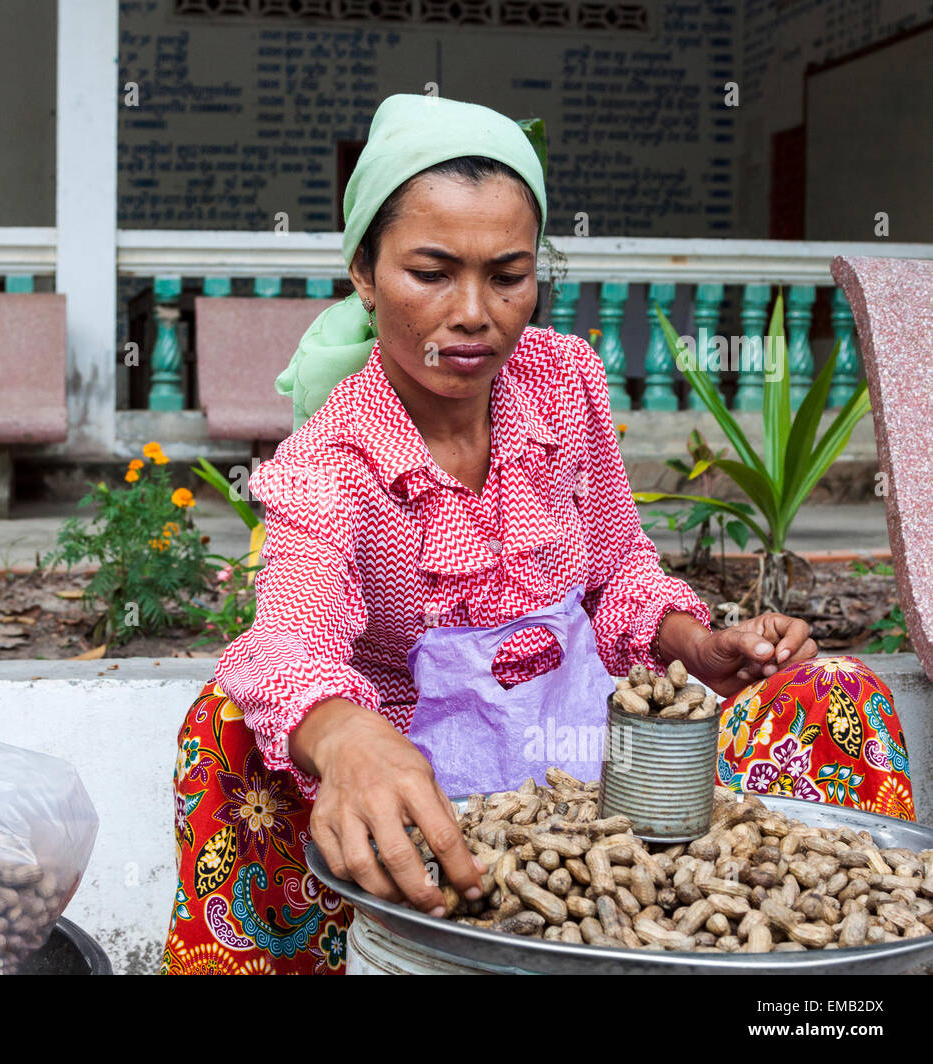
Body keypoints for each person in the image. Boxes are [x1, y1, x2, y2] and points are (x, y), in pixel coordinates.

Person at [160, 93, 915, 976]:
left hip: (589, 755)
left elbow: (616, 572)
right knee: (226, 735)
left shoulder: (564, 385)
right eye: (431, 272)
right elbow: (288, 634)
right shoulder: (331, 462)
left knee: (833, 690)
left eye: (508, 275)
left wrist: (696, 644)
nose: (475, 313)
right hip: (424, 789)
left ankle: (819, 983)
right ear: (364, 273)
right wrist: (347, 737)